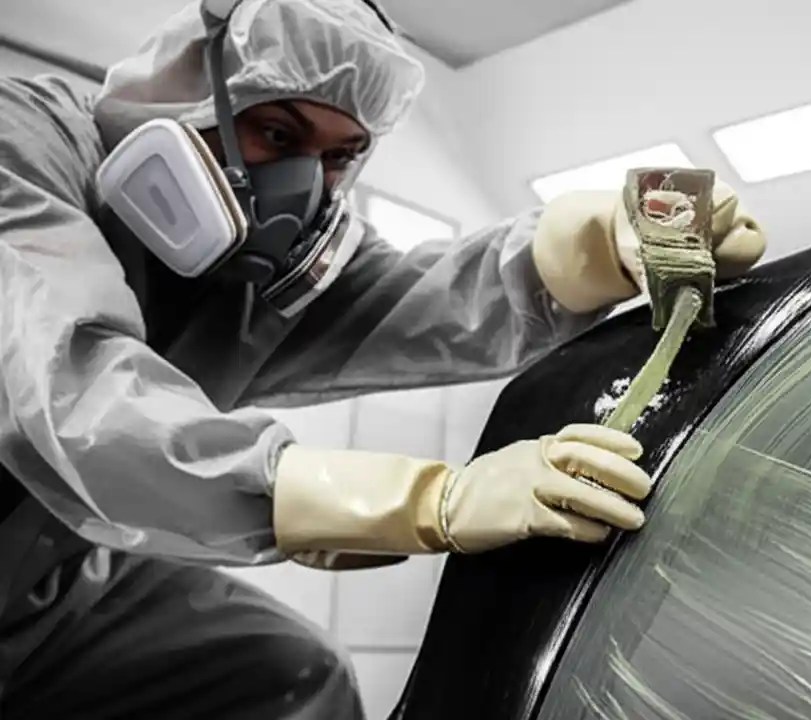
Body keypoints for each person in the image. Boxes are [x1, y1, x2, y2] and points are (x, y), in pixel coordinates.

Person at [0, 0, 766, 717]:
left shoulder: (250, 283)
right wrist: (431, 502)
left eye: (342, 157)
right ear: (188, 96)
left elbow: (434, 301)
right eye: (277, 135)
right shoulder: (21, 151)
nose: (301, 189)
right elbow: (79, 403)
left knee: (292, 674)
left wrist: (598, 241)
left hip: (51, 591)